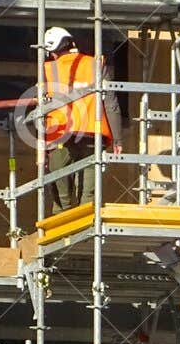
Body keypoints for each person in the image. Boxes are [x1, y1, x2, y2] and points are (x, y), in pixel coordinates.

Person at [35, 27, 123, 213]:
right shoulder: (95, 64)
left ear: (50, 51)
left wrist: (41, 147)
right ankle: (87, 228)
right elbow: (111, 103)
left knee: (61, 197)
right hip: (92, 134)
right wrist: (117, 139)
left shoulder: (47, 69)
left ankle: (63, 227)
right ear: (71, 43)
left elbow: (41, 110)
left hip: (60, 134)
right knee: (88, 195)